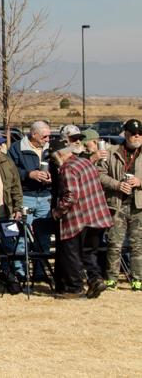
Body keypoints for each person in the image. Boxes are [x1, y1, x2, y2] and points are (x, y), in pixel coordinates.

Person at [52, 141, 113, 298]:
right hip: (98, 216)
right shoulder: (85, 162)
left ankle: (74, 289)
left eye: (53, 158)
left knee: (71, 254)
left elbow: (71, 196)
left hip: (78, 219)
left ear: (60, 154)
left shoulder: (67, 168)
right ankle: (96, 279)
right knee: (89, 253)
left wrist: (57, 212)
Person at [98, 119, 142, 290]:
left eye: (140, 133)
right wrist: (117, 184)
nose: (137, 136)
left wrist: (140, 182)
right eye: (133, 133)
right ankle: (111, 278)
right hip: (117, 204)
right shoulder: (112, 152)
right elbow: (99, 174)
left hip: (138, 205)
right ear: (126, 134)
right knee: (114, 243)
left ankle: (138, 279)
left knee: (138, 245)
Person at [7, 121, 53, 280]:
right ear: (34, 134)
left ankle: (40, 272)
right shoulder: (17, 148)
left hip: (46, 196)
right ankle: (20, 272)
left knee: (43, 238)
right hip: (26, 196)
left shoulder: (51, 148)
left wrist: (52, 176)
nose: (47, 139)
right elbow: (10, 172)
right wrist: (29, 174)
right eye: (44, 136)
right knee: (21, 236)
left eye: (49, 136)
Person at [0, 136, 25, 294]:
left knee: (10, 245)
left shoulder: (7, 161)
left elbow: (16, 186)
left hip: (6, 212)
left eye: (0, 144)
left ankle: (11, 276)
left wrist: (17, 207)